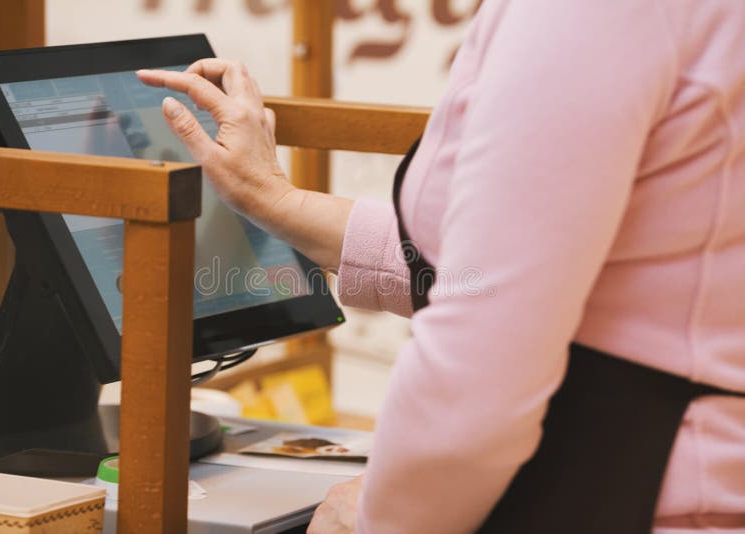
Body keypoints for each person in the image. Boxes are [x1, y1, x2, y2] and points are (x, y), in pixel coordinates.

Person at [137, 1, 745, 532]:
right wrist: (276, 200)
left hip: (622, 495)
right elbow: (536, 270)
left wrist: (379, 516)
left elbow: (486, 362)